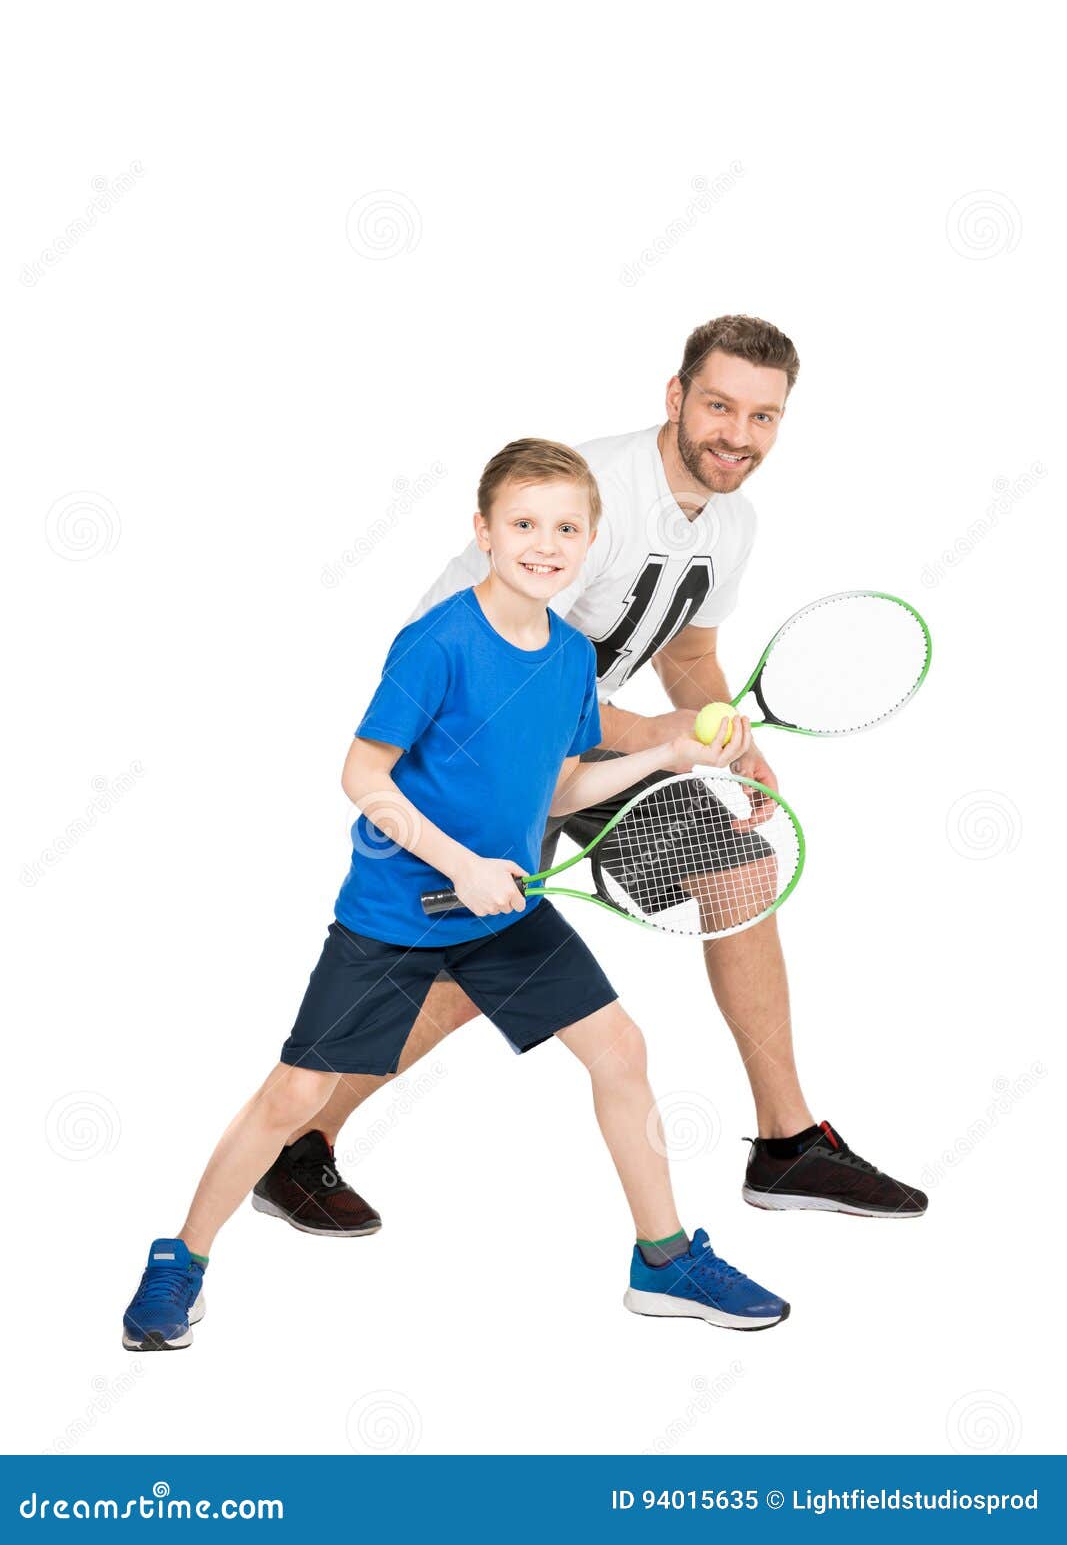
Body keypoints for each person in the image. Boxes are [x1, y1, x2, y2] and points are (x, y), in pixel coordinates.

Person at [121, 439, 790, 1351]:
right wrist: (459, 865)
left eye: (566, 528)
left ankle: (663, 1261)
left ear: (591, 542)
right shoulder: (435, 641)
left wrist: (666, 755)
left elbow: (554, 789)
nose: (544, 544)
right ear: (482, 533)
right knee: (291, 1098)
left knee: (620, 1053)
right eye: (523, 524)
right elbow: (361, 774)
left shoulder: (566, 661)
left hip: (504, 914)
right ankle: (181, 1261)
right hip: (397, 913)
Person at [272, 315, 927, 1231]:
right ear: (675, 397)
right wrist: (659, 734)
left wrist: (733, 739)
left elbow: (689, 652)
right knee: (465, 977)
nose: (736, 435)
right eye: (717, 406)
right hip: (474, 744)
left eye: (763, 417)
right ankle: (297, 1143)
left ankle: (787, 1144)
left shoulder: (729, 521)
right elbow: (524, 678)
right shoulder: (595, 495)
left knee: (738, 874)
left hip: (583, 744)